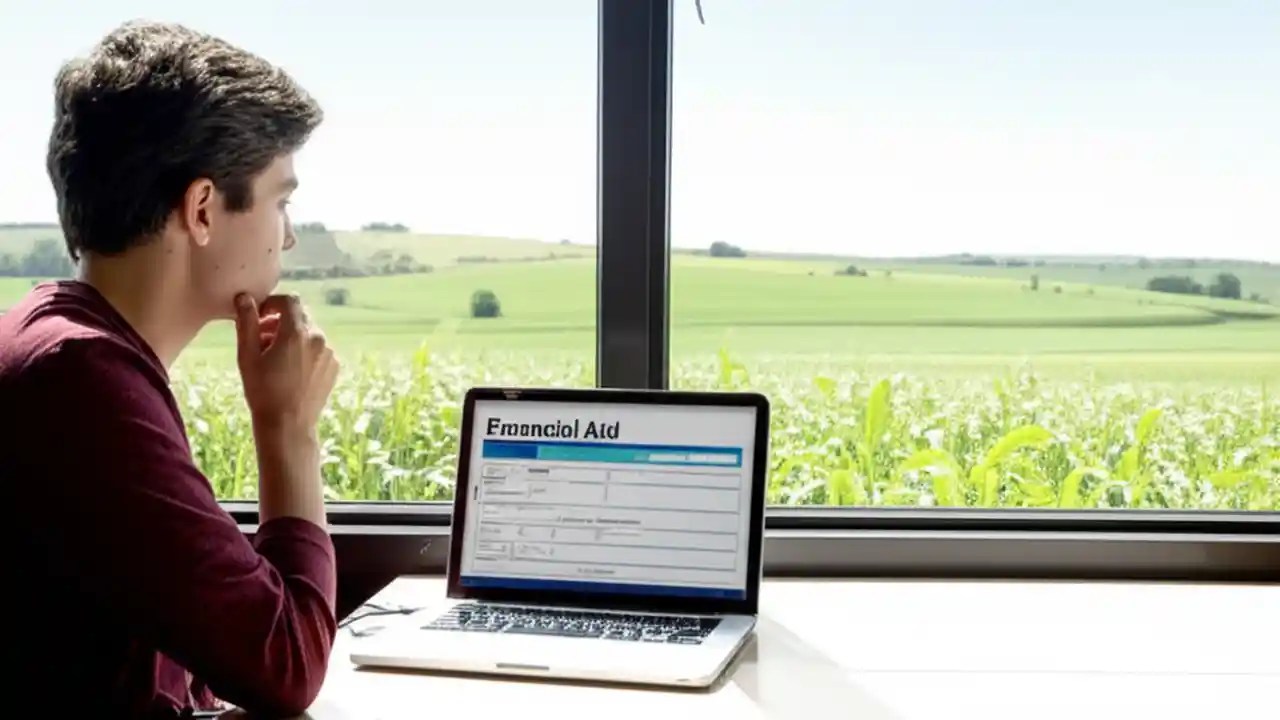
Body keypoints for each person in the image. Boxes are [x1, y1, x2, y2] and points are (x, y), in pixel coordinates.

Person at [0, 21, 340, 717]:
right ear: (204, 209)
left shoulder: (56, 348)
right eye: (281, 200)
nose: (291, 233)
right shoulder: (79, 383)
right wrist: (288, 431)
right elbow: (287, 666)